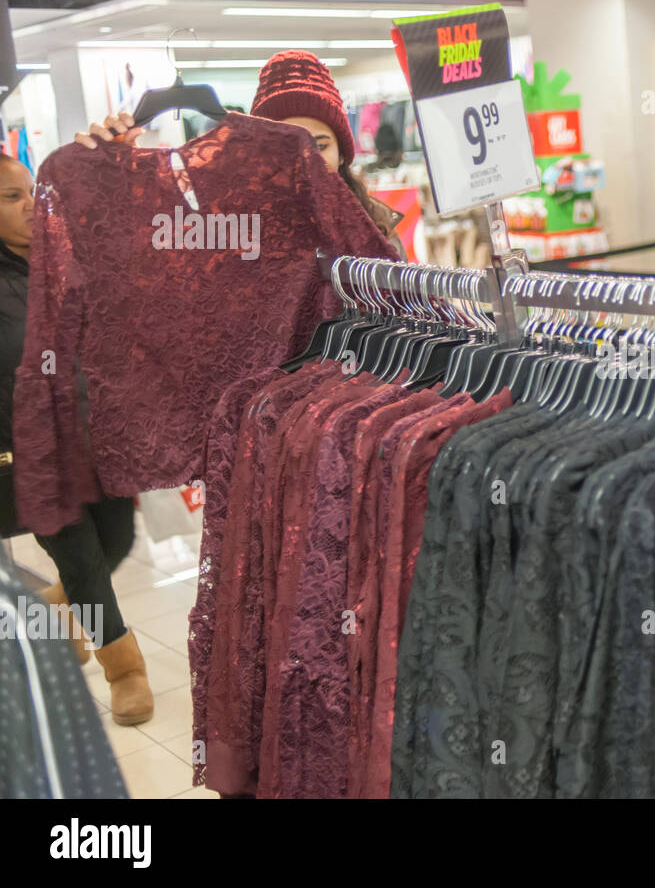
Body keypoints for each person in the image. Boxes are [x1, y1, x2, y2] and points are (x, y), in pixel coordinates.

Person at [0, 153, 152, 725]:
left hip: (95, 435)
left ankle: (53, 609)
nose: (28, 205)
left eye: (30, 191)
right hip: (31, 453)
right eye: (11, 197)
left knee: (116, 540)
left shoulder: (64, 259)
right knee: (82, 558)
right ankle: (125, 669)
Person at [76, 50, 401, 242]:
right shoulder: (224, 224)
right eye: (286, 144)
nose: (306, 161)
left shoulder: (376, 227)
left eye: (320, 144)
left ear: (342, 153)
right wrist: (105, 179)